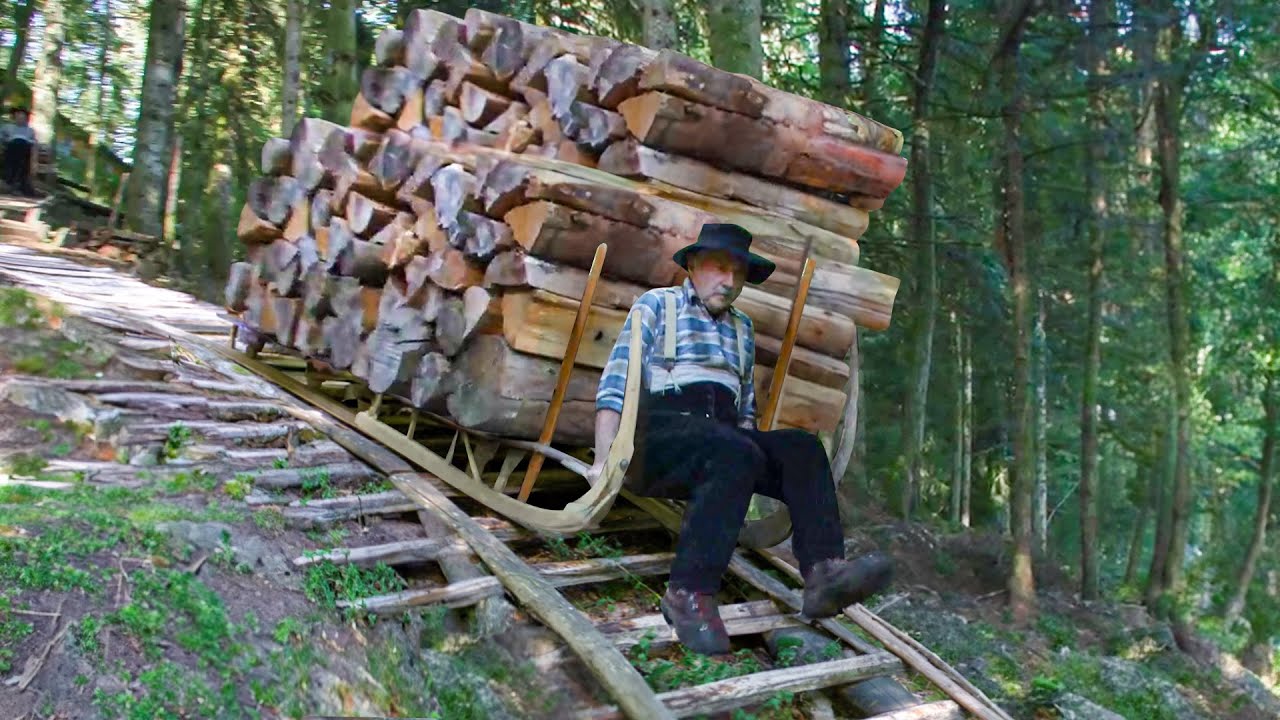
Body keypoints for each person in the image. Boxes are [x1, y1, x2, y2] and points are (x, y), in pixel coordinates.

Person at [589, 222, 893, 655]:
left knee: (802, 448)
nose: (728, 281)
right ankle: (689, 593)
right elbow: (615, 385)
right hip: (659, 441)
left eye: (737, 272)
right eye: (717, 267)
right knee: (733, 449)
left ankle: (824, 574)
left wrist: (755, 465)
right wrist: (603, 464)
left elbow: (745, 408)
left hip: (724, 441)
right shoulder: (657, 306)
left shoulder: (741, 329)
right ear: (692, 265)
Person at [1, 107, 37, 196]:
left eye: (22, 118)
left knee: (22, 148)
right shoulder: (7, 127)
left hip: (24, 150)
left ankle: (18, 183)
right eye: (18, 117)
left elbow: (33, 142)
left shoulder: (30, 130)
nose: (20, 119)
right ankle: (12, 181)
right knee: (15, 146)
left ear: (26, 119)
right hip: (11, 148)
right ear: (14, 117)